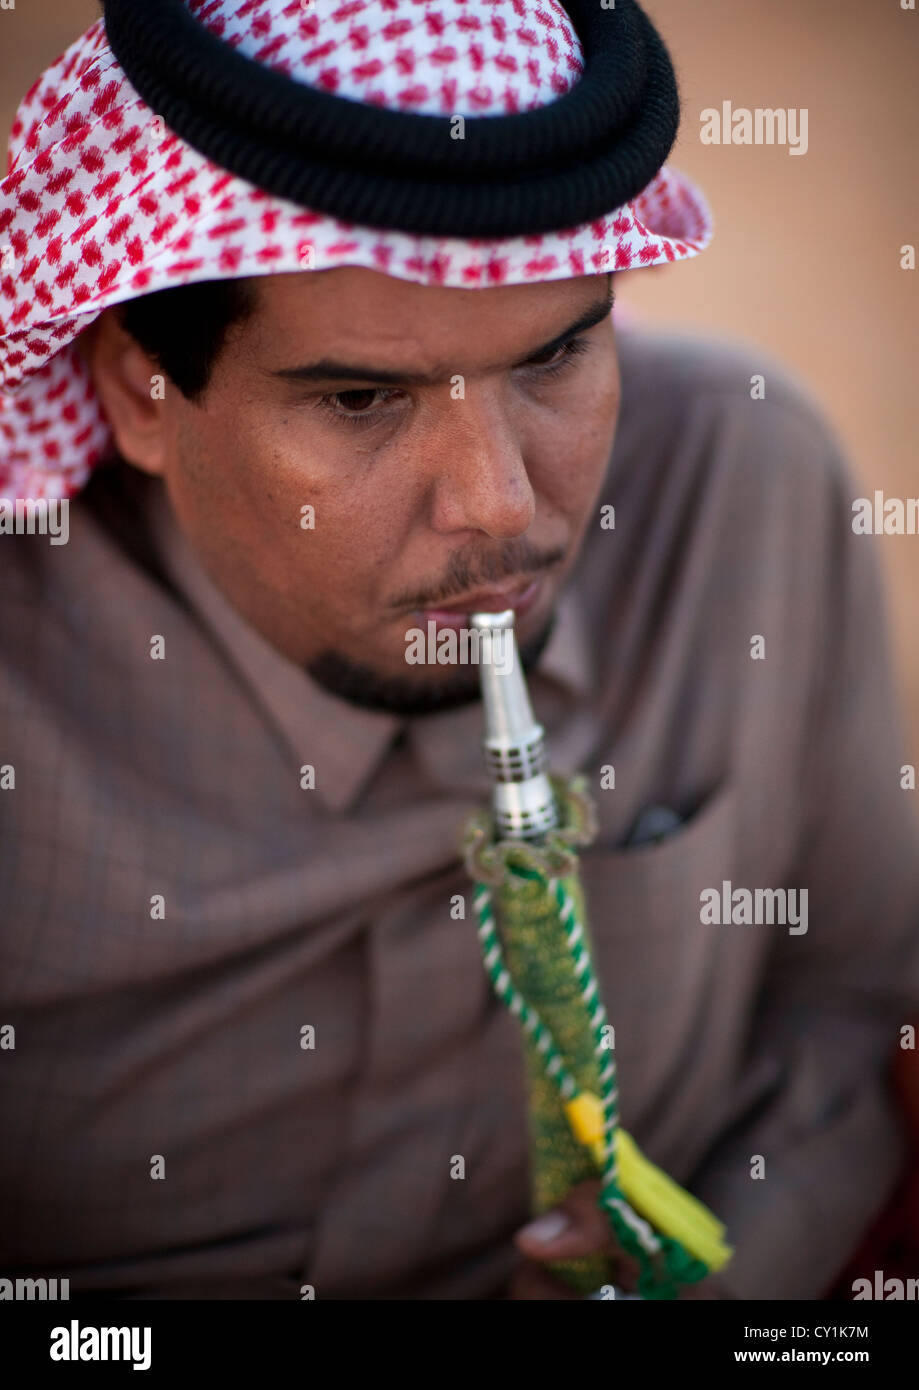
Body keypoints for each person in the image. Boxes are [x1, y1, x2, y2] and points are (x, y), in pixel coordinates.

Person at [1, 0, 917, 1301]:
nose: (498, 502)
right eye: (361, 399)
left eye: (555, 355)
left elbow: (854, 1009)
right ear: (140, 388)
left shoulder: (742, 488)